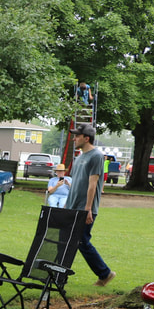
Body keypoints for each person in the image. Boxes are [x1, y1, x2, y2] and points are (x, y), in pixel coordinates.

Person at [64, 123, 115, 286]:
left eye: (77, 136)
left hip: (85, 208)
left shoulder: (96, 156)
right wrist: (67, 205)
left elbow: (93, 184)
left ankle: (105, 273)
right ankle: (58, 273)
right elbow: (76, 184)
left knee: (81, 241)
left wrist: (88, 209)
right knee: (69, 240)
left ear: (87, 138)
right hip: (72, 206)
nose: (74, 139)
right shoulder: (79, 157)